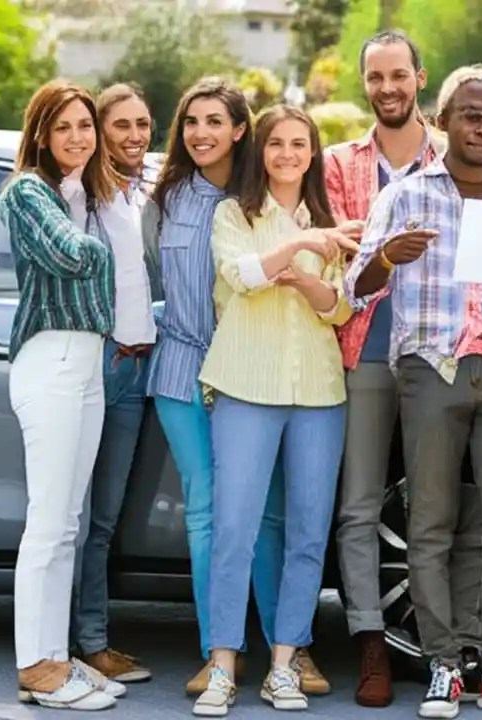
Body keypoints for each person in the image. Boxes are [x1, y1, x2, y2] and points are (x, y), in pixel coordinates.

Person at [345, 64, 482, 720]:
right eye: (471, 113)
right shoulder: (406, 197)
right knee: (430, 520)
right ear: (444, 119)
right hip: (431, 370)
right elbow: (358, 286)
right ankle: (442, 664)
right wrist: (387, 258)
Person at [323, 29, 482, 709]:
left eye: (398, 75)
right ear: (366, 85)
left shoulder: (457, 161)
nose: (387, 88)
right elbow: (345, 250)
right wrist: (383, 243)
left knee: (438, 500)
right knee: (358, 504)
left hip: (438, 354)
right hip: (362, 351)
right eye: (375, 78)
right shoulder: (337, 164)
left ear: (420, 78)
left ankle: (456, 643)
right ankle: (369, 641)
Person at [143, 78, 315, 697]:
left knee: (267, 514)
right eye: (191, 122)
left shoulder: (259, 198)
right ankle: (219, 654)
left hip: (254, 372)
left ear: (241, 130)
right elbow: (151, 280)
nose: (200, 134)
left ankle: (286, 652)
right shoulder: (164, 198)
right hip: (184, 370)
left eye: (214, 121)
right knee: (210, 513)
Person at [191, 104, 355, 717]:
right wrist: (300, 247)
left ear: (313, 154)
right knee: (234, 528)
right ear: (260, 150)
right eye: (276, 143)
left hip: (317, 392)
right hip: (244, 387)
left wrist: (317, 286)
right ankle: (224, 665)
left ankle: (285, 663)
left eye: (300, 144)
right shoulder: (233, 214)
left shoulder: (330, 223)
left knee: (309, 533)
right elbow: (244, 275)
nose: (288, 153)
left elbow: (339, 309)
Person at [0, 78, 122, 711]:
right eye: (65, 126)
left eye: (86, 126)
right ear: (41, 134)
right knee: (46, 525)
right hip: (51, 359)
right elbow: (73, 258)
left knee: (69, 524)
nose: (79, 137)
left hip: (88, 360)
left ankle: (54, 656)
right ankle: (34, 667)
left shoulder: (77, 193)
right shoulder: (27, 193)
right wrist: (99, 245)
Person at [70, 82, 160, 686]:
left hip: (137, 368)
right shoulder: (80, 195)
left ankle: (90, 640)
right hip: (97, 362)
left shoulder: (146, 187)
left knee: (104, 518)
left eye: (143, 124)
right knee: (75, 516)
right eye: (121, 125)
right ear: (99, 130)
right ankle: (74, 643)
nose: (134, 136)